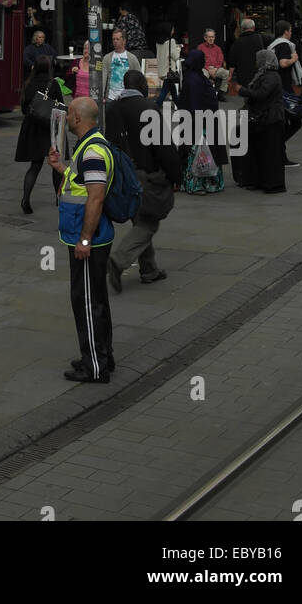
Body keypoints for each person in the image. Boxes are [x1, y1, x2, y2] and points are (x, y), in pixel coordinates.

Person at [48, 97, 114, 383]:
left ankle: (94, 367)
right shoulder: (90, 146)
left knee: (86, 302)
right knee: (94, 299)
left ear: (76, 117)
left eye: (69, 113)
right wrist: (62, 167)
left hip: (90, 240)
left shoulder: (93, 150)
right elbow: (83, 182)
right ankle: (102, 356)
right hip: (88, 237)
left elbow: (96, 197)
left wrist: (85, 240)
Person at [106, 70, 178, 291]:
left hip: (122, 174)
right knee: (148, 223)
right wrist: (175, 174)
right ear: (141, 86)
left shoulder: (112, 108)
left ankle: (149, 269)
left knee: (140, 219)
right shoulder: (147, 108)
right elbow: (163, 146)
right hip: (145, 174)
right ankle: (118, 260)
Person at [15, 54, 64, 215]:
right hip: (50, 128)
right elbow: (60, 107)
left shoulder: (28, 84)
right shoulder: (54, 84)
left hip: (32, 128)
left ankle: (25, 198)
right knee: (55, 164)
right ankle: (59, 199)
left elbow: (23, 109)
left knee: (35, 166)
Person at [179, 48, 225, 193]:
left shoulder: (190, 78)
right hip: (203, 123)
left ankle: (195, 183)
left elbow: (186, 102)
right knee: (204, 153)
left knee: (198, 154)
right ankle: (207, 183)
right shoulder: (198, 79)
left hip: (194, 123)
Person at [240, 48, 286, 194]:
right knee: (262, 152)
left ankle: (273, 184)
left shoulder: (271, 76)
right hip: (264, 119)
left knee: (270, 153)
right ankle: (261, 181)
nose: (255, 62)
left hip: (271, 120)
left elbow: (261, 94)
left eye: (258, 59)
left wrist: (243, 91)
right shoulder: (264, 75)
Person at [269, 19, 302, 164]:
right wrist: (294, 58)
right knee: (295, 121)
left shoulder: (272, 45)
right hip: (284, 89)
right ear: (286, 31)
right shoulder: (284, 45)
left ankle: (278, 151)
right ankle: (277, 149)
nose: (291, 33)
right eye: (290, 30)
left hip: (276, 88)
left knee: (283, 122)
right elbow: (283, 63)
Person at [227, 18, 269, 92]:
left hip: (243, 76)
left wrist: (230, 76)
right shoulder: (261, 38)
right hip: (259, 74)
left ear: (242, 29)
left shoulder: (237, 43)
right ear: (253, 28)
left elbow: (232, 62)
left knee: (247, 96)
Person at [102, 29, 141, 104]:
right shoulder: (107, 58)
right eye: (113, 39)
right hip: (110, 98)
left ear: (124, 41)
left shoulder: (132, 58)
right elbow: (103, 78)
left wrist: (138, 97)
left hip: (127, 98)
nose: (115, 41)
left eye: (117, 39)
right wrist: (102, 96)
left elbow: (138, 78)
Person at [197, 28, 229, 99]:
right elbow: (199, 60)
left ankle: (221, 93)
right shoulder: (200, 47)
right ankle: (204, 94)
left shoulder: (218, 48)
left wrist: (215, 69)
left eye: (213, 37)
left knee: (227, 73)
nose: (211, 39)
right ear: (205, 38)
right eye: (209, 37)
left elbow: (220, 60)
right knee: (203, 75)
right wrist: (208, 68)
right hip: (204, 68)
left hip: (216, 68)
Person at [154, 22, 181, 106]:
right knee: (163, 92)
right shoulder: (171, 41)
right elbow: (175, 56)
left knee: (173, 92)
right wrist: (178, 49)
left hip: (162, 70)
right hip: (169, 72)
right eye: (172, 29)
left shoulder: (158, 42)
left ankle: (180, 106)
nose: (173, 31)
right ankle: (155, 107)